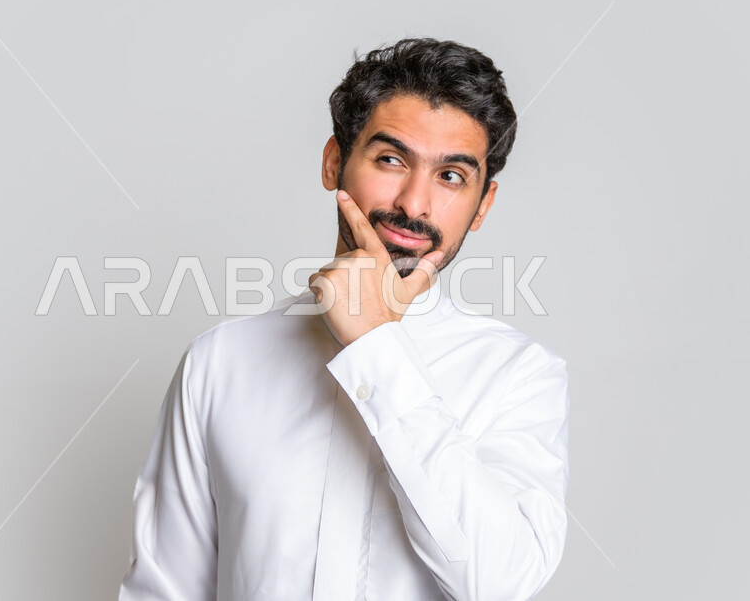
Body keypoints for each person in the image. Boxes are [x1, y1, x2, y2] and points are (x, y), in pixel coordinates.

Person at [118, 37, 570, 601]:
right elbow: (165, 592)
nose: (414, 204)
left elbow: (496, 583)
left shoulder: (521, 377)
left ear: (483, 205)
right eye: (391, 160)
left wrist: (379, 345)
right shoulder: (220, 362)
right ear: (335, 161)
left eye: (451, 176)